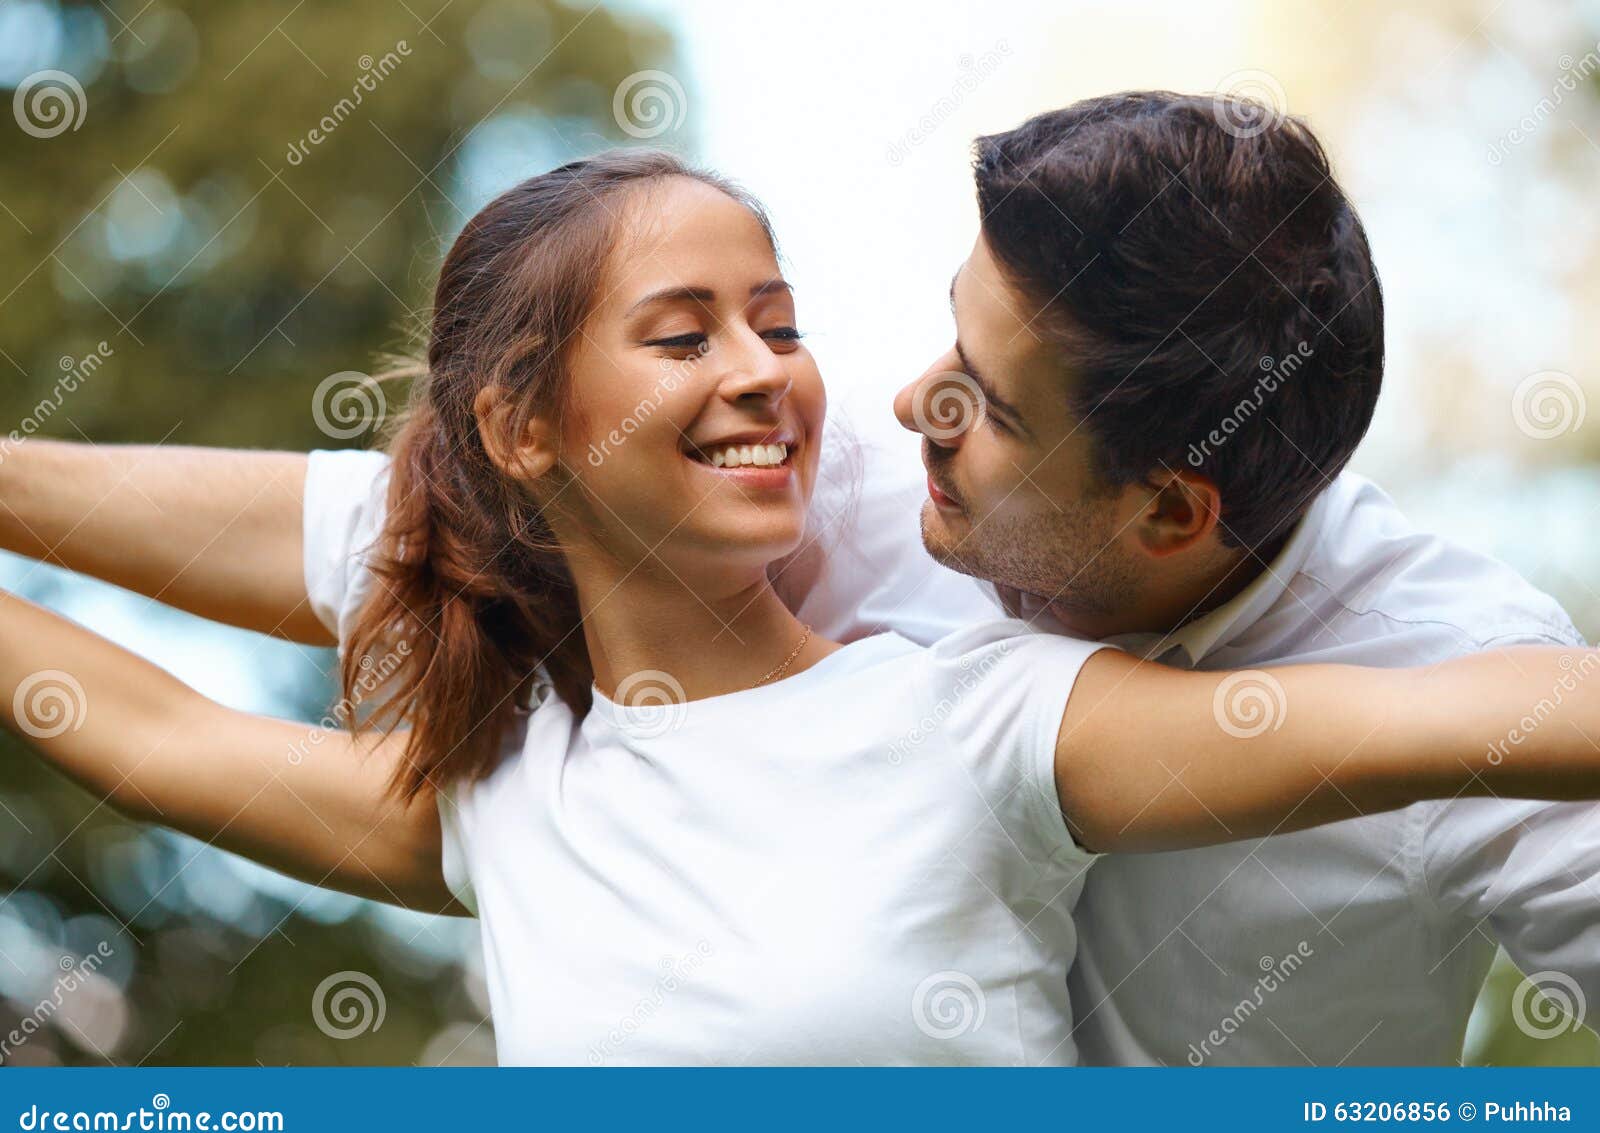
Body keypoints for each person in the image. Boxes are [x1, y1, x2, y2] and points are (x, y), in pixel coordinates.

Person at [2, 95, 1596, 1065]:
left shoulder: (987, 714)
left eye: (771, 324)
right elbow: (200, 687)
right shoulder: (578, 732)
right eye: (695, 334)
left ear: (1172, 509)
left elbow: (1458, 721)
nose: (904, 403)